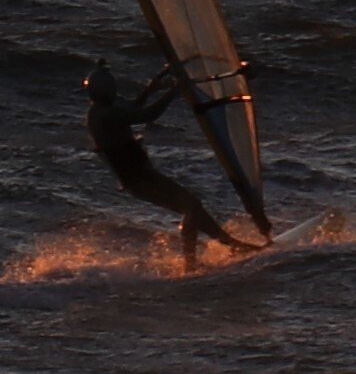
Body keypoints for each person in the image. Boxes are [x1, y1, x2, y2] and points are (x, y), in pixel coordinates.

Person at [80, 61, 242, 267]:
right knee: (191, 206)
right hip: (138, 179)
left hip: (139, 176)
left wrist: (152, 87)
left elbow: (132, 107)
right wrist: (175, 90)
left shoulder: (100, 110)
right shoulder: (106, 114)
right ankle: (190, 265)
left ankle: (230, 244)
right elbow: (148, 115)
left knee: (194, 208)